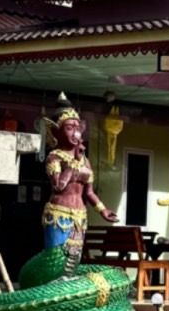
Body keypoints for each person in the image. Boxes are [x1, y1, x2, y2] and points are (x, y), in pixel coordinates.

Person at [43, 104, 117, 264]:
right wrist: (73, 164)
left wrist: (103, 210)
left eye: (77, 128)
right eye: (69, 128)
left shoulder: (86, 161)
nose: (75, 133)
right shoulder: (55, 157)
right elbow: (58, 186)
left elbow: (89, 192)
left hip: (80, 216)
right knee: (56, 259)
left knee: (72, 262)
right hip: (59, 214)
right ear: (57, 131)